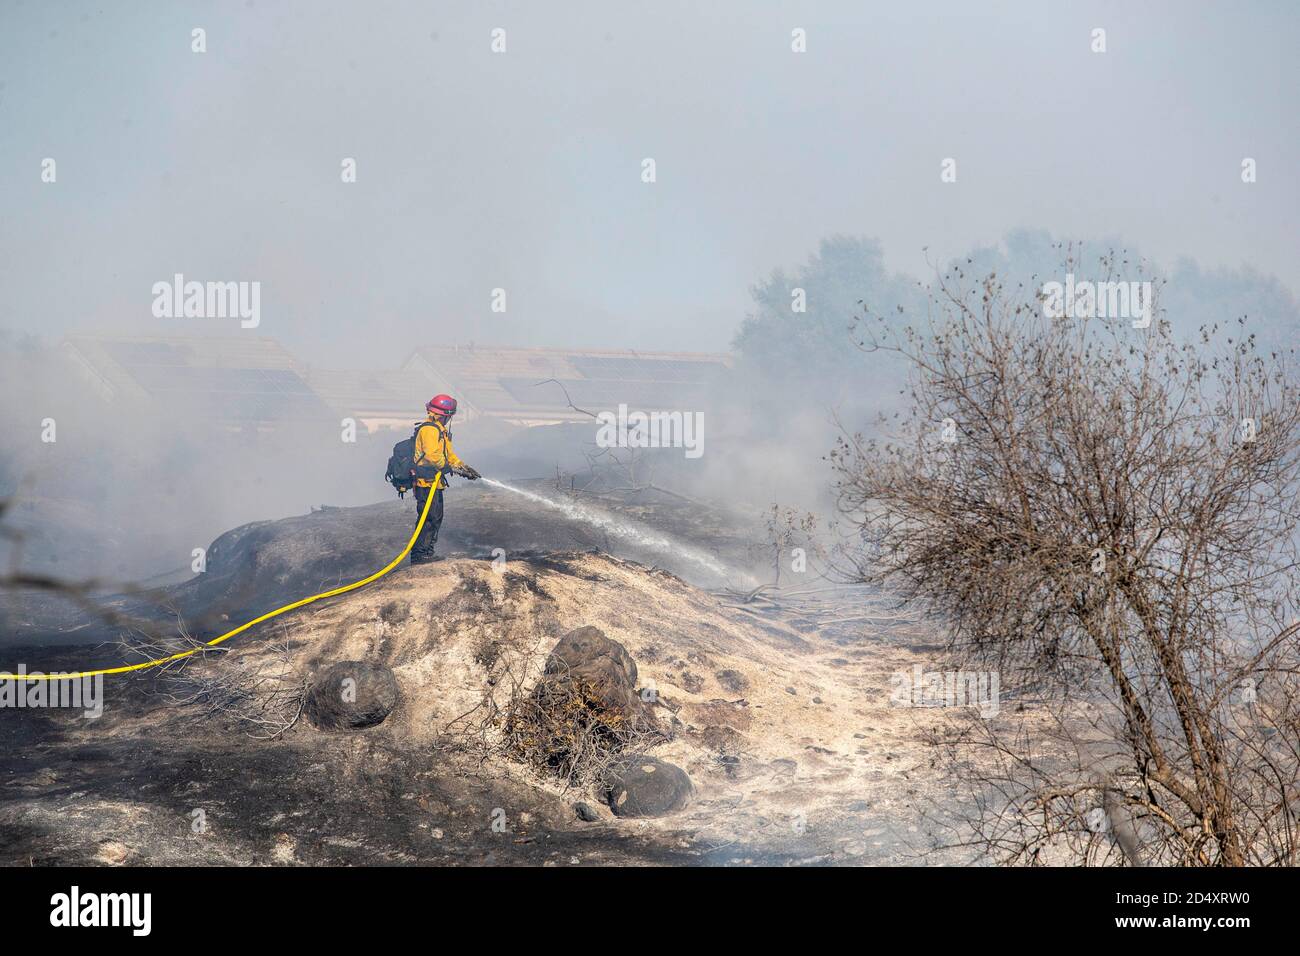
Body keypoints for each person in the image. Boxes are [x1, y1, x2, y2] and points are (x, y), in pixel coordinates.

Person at [410, 394, 480, 564]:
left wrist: (462, 467)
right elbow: (433, 455)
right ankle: (420, 555)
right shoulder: (429, 429)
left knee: (436, 516)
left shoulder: (440, 430)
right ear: (444, 414)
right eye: (449, 416)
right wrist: (448, 467)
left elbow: (448, 454)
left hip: (435, 482)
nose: (450, 419)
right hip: (425, 482)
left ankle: (427, 552)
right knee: (428, 518)